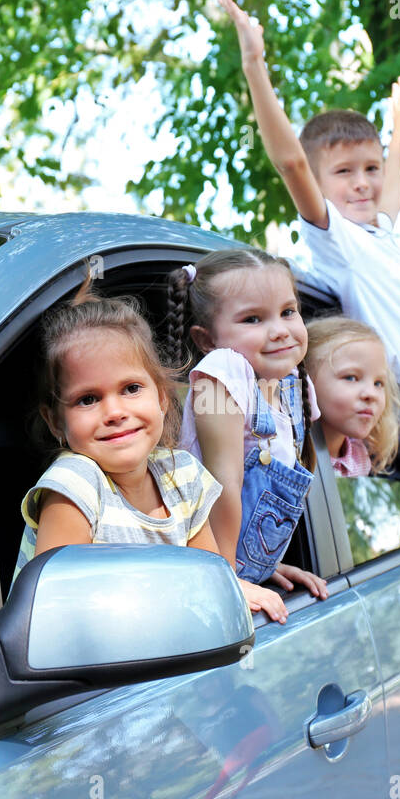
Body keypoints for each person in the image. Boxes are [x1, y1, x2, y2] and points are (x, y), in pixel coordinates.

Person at [216, 0, 400, 484]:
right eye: (343, 173)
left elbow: (390, 193)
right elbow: (292, 161)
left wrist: (399, 142)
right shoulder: (337, 241)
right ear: (319, 186)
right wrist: (255, 64)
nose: (361, 183)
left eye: (370, 167)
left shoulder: (383, 230)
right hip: (393, 415)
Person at [14, 269, 288, 624]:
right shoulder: (74, 486)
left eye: (130, 389)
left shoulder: (184, 475)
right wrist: (218, 587)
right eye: (87, 399)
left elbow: (210, 579)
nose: (114, 412)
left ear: (161, 397)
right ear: (55, 422)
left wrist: (229, 585)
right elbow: (63, 610)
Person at [163, 248, 328, 610]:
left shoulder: (294, 384)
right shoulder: (221, 373)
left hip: (235, 568)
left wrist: (263, 562)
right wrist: (228, 578)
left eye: (288, 312)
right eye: (253, 319)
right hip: (200, 576)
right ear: (207, 339)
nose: (280, 331)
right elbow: (223, 483)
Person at [305, 316, 400, 477]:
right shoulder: (287, 454)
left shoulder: (360, 459)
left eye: (378, 383)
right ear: (306, 380)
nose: (371, 394)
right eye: (351, 378)